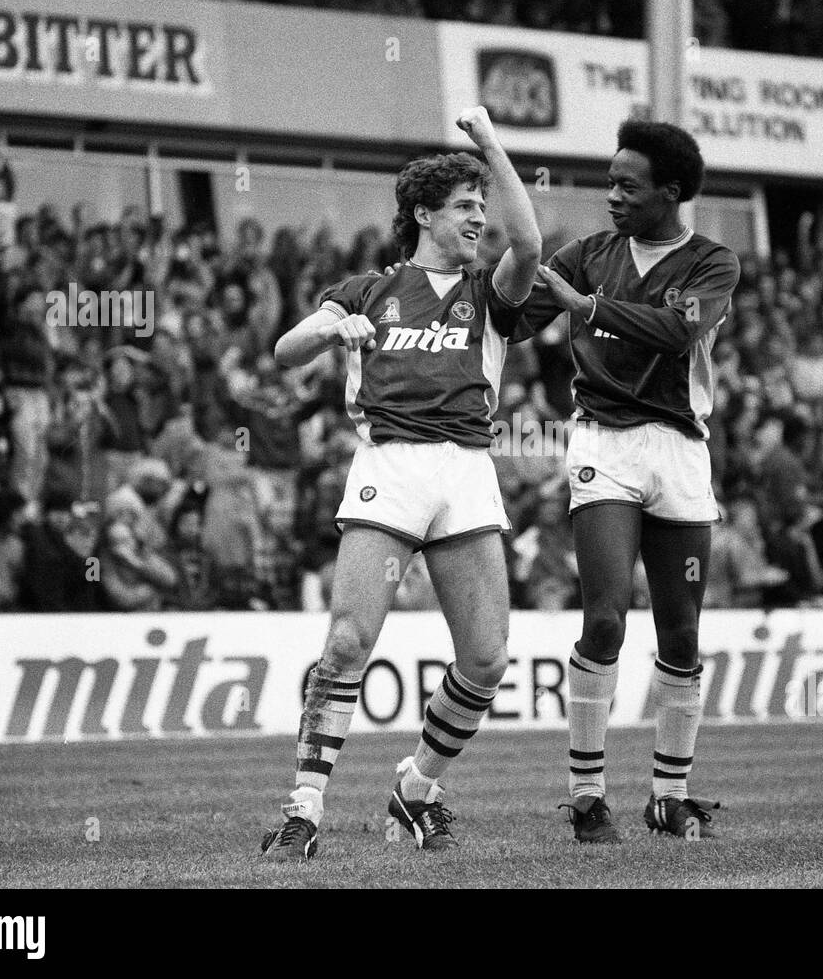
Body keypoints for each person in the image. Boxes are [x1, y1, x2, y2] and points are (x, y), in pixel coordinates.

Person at [259, 105, 542, 860]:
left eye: (483, 204)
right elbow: (286, 349)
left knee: (485, 659)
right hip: (390, 465)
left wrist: (488, 145)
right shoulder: (368, 289)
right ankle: (304, 808)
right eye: (464, 205)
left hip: (466, 471)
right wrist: (330, 328)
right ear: (422, 213)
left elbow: (531, 241)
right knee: (348, 639)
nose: (480, 217)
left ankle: (415, 787)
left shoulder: (492, 294)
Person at [525, 119, 741, 841]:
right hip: (604, 443)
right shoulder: (590, 252)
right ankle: (587, 794)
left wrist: (584, 307)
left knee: (681, 632)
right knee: (607, 617)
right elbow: (521, 300)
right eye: (609, 180)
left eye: (628, 185)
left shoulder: (714, 264)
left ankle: (668, 795)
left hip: (679, 449)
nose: (611, 195)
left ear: (671, 193)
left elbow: (676, 330)